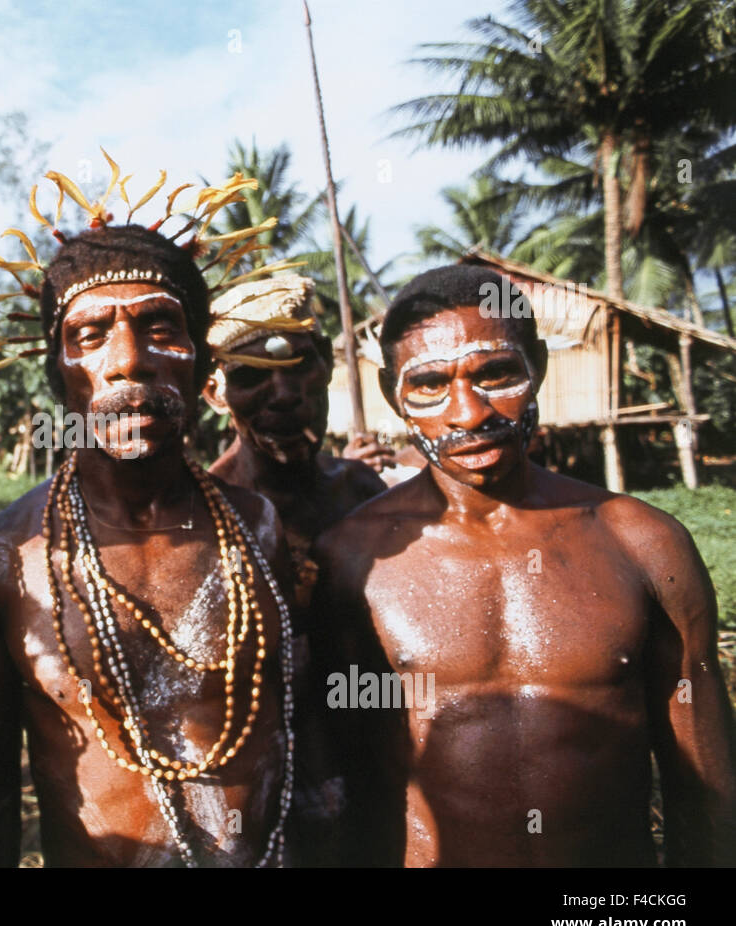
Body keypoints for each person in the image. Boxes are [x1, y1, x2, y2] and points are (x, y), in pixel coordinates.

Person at [314, 263, 736, 865]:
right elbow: (349, 780)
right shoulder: (353, 560)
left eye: (496, 373)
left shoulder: (644, 543)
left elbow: (706, 783)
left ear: (537, 363)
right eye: (430, 384)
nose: (470, 413)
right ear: (391, 395)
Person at [0, 206, 307, 866]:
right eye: (89, 335)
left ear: (203, 368)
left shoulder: (259, 529)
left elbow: (306, 738)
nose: (128, 362)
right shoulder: (6, 559)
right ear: (58, 373)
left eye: (160, 328)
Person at [203, 274, 389, 579]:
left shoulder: (359, 489)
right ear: (214, 393)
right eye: (251, 376)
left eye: (299, 365)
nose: (285, 395)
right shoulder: (209, 517)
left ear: (327, 362)